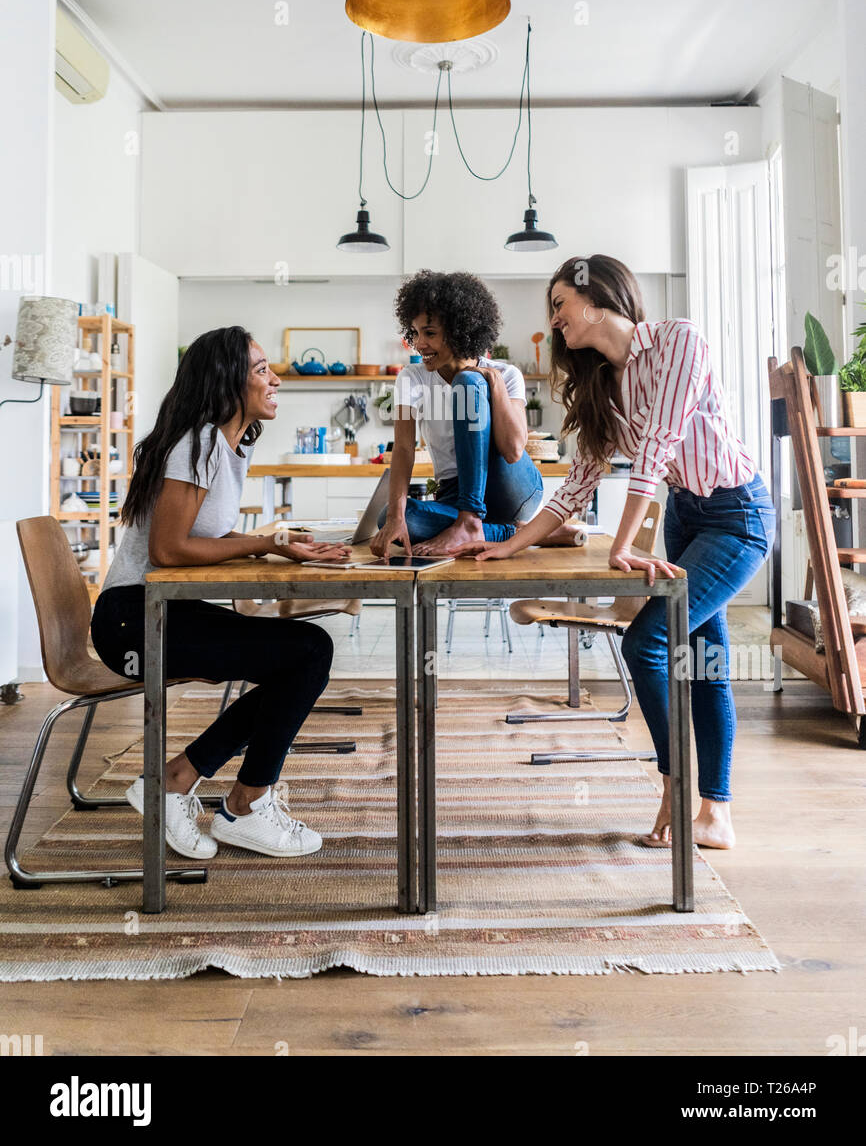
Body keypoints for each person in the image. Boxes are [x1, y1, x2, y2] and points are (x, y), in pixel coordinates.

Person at [471, 255, 775, 851]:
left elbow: (658, 445)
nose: (554, 319)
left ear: (595, 298)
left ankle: (676, 783)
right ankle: (715, 813)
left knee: (647, 641)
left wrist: (623, 547)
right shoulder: (600, 383)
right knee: (702, 662)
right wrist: (510, 546)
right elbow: (576, 486)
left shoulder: (678, 342)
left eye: (559, 305)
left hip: (737, 515)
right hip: (689, 516)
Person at [90, 326, 351, 862]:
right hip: (133, 623)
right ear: (228, 381)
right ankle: (239, 806)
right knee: (307, 652)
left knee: (305, 653)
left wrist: (279, 545)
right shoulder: (199, 441)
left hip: (162, 612)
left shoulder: (224, 446)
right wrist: (265, 542)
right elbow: (168, 550)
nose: (275, 379)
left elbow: (201, 539)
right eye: (261, 370)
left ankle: (192, 785)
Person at [371, 270, 574, 559]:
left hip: (510, 486)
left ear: (458, 332)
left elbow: (514, 450)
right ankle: (519, 533)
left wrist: (495, 387)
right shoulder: (411, 377)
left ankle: (470, 521)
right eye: (415, 333)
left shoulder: (506, 374)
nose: (419, 344)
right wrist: (395, 517)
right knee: (397, 519)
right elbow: (404, 448)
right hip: (453, 491)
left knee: (468, 381)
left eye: (429, 333)